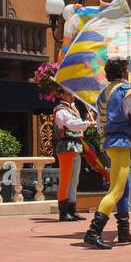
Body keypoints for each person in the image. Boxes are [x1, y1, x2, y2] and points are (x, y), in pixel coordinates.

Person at [84, 58, 131, 250]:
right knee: (116, 189)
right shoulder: (127, 92)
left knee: (124, 187)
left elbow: (100, 125)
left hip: (110, 143)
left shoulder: (103, 95)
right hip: (122, 144)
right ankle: (93, 232)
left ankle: (123, 231)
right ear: (124, 72)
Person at [52, 89, 91, 222]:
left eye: (72, 93)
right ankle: (63, 212)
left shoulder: (73, 109)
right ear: (61, 95)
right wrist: (86, 123)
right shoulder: (61, 110)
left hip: (76, 146)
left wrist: (86, 122)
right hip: (66, 146)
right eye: (69, 93)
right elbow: (73, 125)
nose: (72, 96)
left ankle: (72, 210)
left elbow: (78, 127)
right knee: (66, 180)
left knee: (74, 180)